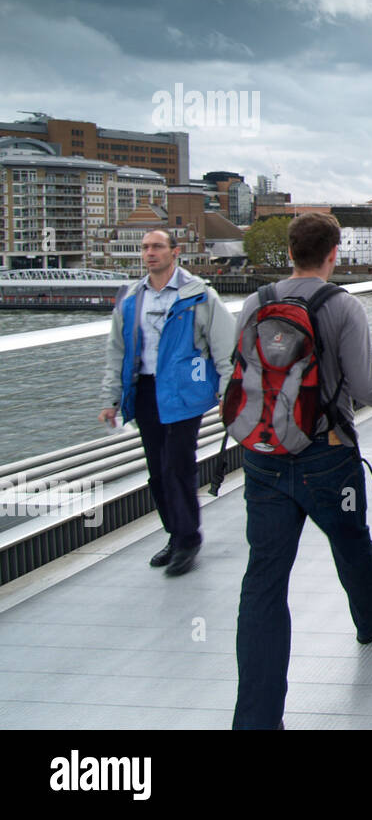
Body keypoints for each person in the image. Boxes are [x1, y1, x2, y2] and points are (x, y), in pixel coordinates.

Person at [232, 212, 372, 730]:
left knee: (264, 583)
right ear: (334, 252)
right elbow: (365, 387)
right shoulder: (343, 307)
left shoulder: (256, 302)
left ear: (291, 250)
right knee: (350, 540)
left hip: (265, 456)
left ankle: (255, 721)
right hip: (327, 454)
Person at [99, 229, 235, 577]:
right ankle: (175, 535)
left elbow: (224, 346)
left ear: (175, 252)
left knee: (178, 464)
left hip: (183, 391)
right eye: (145, 248)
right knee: (157, 471)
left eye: (157, 247)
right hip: (144, 391)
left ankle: (189, 539)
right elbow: (117, 350)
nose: (149, 253)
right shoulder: (131, 298)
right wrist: (110, 398)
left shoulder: (199, 294)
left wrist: (227, 390)